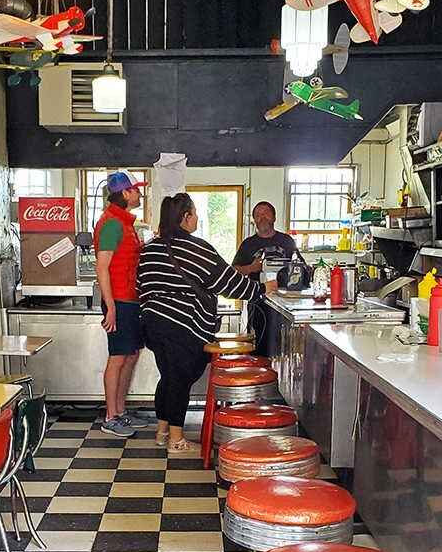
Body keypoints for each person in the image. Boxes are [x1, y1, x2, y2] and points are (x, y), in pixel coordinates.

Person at [138, 193, 277, 452]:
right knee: (179, 378)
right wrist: (261, 289)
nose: (197, 218)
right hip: (184, 323)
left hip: (153, 322)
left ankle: (162, 432)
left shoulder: (149, 249)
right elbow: (227, 282)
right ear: (185, 217)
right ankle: (176, 440)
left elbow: (141, 287)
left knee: (168, 375)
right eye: (195, 213)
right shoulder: (196, 248)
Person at [93, 171, 150, 437]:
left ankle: (120, 411)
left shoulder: (125, 224)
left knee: (131, 354)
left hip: (131, 298)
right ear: (125, 193)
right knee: (118, 357)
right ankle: (110, 416)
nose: (140, 194)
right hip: (120, 301)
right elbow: (102, 267)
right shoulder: (112, 224)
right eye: (136, 190)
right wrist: (111, 306)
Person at [233, 201, 301, 357]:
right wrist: (251, 268)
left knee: (284, 346)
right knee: (261, 346)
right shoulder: (248, 244)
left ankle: (282, 376)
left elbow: (300, 267)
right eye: (258, 215)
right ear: (254, 220)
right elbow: (234, 270)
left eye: (266, 213)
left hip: (285, 303)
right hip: (258, 303)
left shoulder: (287, 241)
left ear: (274, 217)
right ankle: (262, 377)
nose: (262, 217)